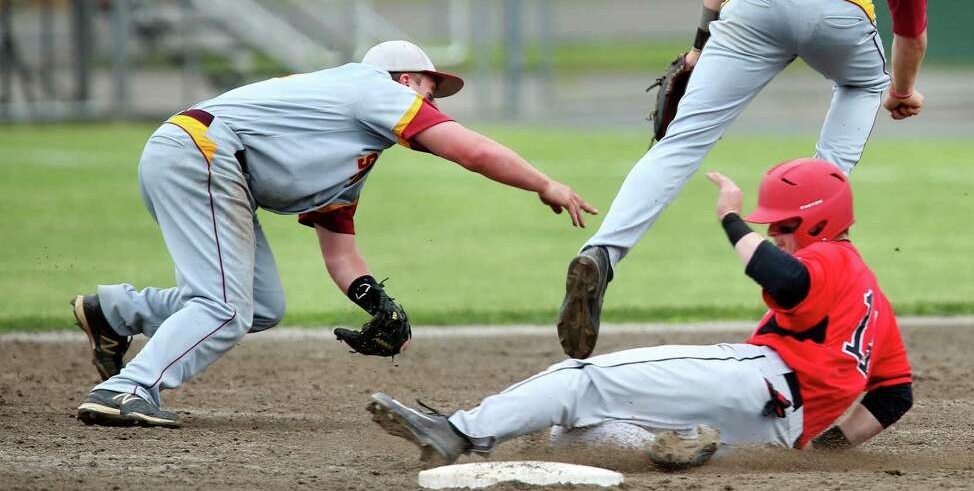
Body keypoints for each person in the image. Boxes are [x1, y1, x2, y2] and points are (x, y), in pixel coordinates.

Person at [557, 0, 937, 359]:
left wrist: (698, 48)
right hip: (840, 2)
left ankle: (603, 254)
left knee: (681, 143)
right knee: (859, 90)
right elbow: (912, 29)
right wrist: (899, 92)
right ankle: (809, 261)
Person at [72, 40, 596, 428]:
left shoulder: (347, 150)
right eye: (430, 86)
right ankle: (130, 388)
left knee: (257, 305)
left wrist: (383, 308)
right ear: (403, 79)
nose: (434, 100)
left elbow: (341, 255)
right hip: (203, 156)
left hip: (196, 158)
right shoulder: (373, 89)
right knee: (226, 308)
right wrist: (543, 183)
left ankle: (115, 313)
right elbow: (472, 152)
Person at [368, 158, 913, 469]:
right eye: (769, 225)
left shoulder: (831, 258)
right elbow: (894, 394)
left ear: (821, 221)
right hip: (771, 434)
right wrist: (826, 449)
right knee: (572, 438)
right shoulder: (875, 302)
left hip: (759, 379)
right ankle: (687, 446)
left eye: (784, 225)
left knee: (580, 383)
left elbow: (783, 280)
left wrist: (730, 219)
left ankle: (456, 432)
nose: (774, 233)